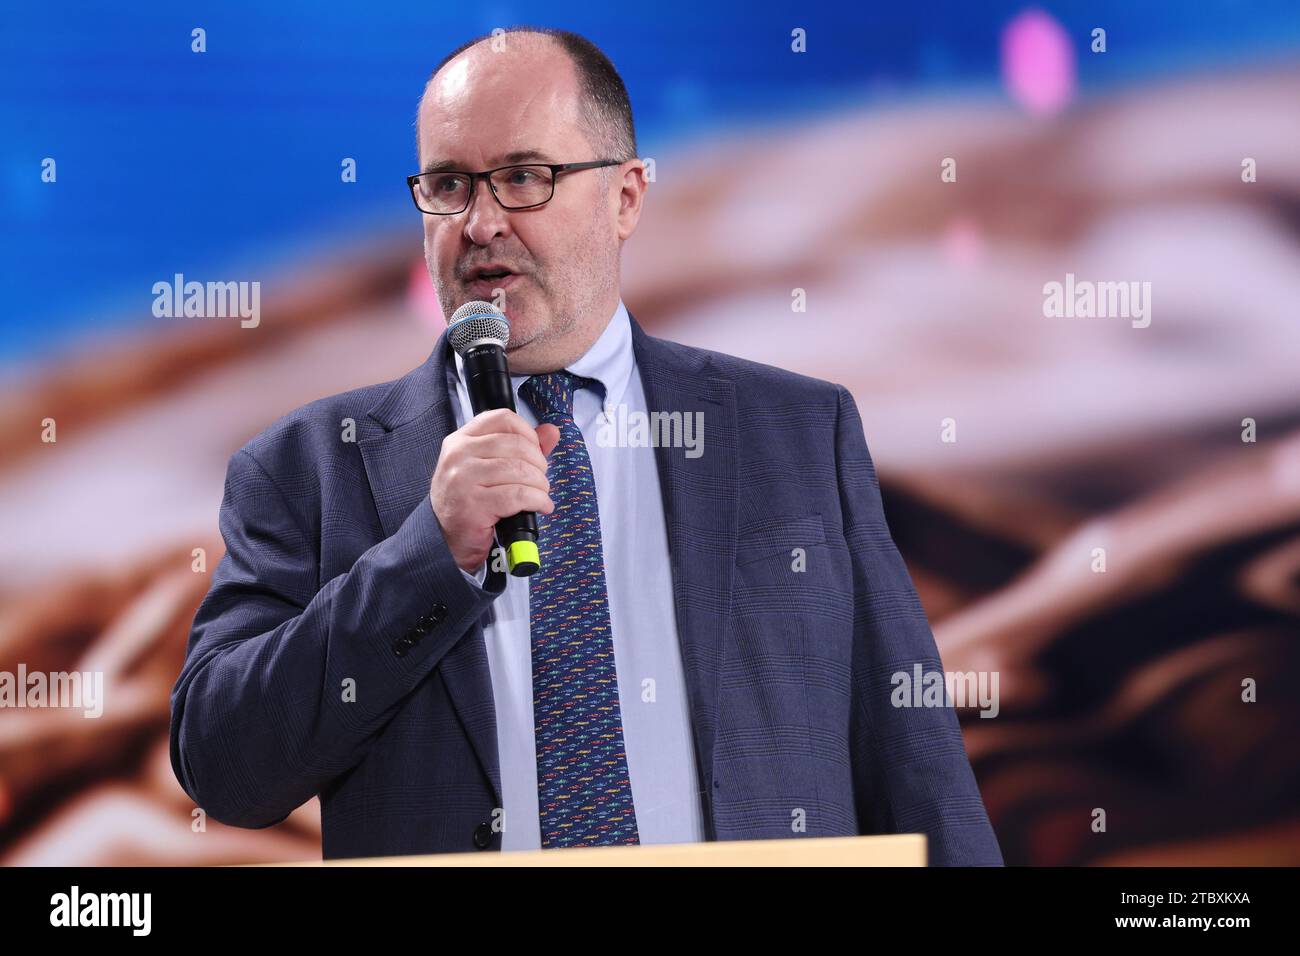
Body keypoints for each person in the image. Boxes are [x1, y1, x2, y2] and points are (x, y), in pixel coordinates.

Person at [169, 26, 1003, 865]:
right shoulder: (307, 468)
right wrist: (430, 556)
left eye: (527, 177)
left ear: (627, 197)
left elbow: (916, 765)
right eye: (450, 185)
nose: (481, 223)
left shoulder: (795, 433)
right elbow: (226, 767)